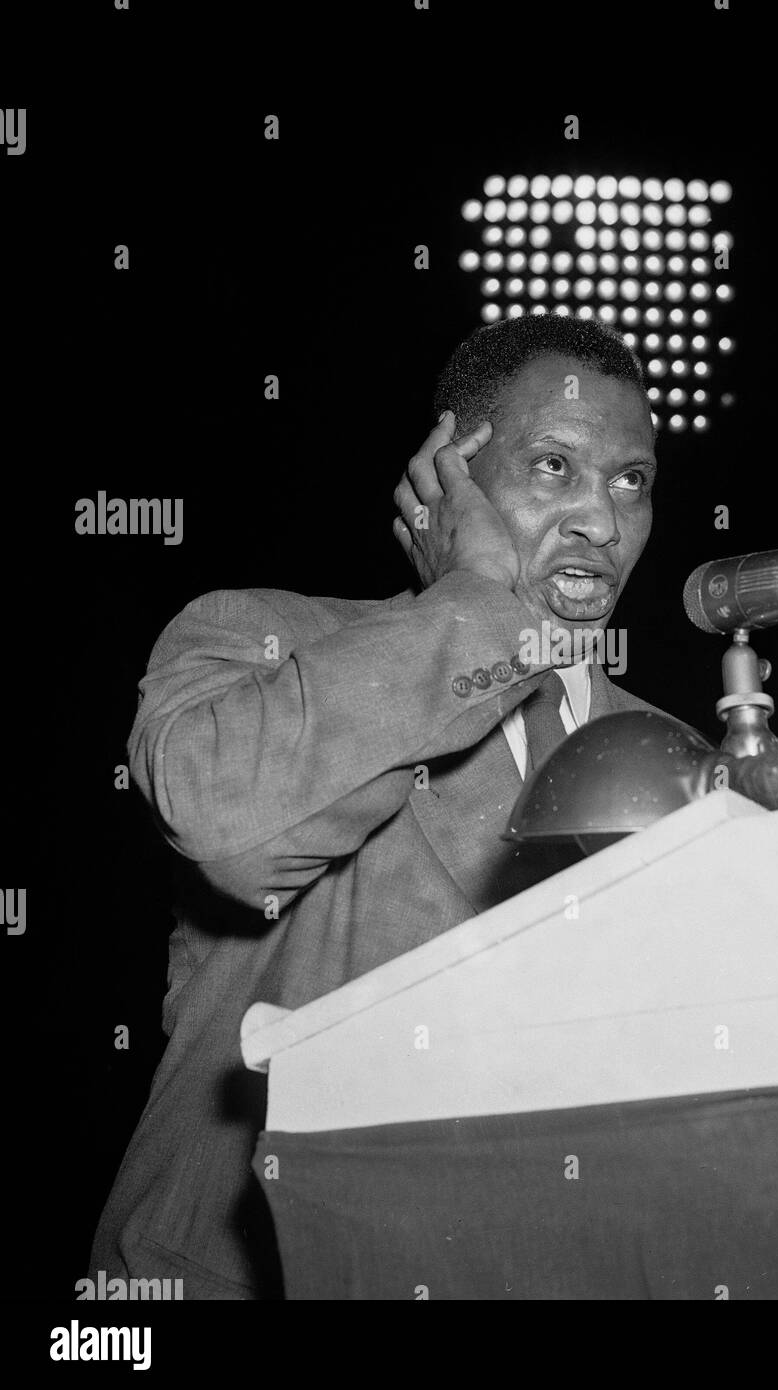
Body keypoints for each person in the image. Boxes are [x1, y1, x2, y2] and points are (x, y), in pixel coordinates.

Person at [88, 313, 665, 1298]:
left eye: (631, 482)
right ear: (453, 471)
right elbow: (227, 823)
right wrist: (480, 598)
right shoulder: (262, 638)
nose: (604, 523)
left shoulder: (671, 753)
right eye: (555, 468)